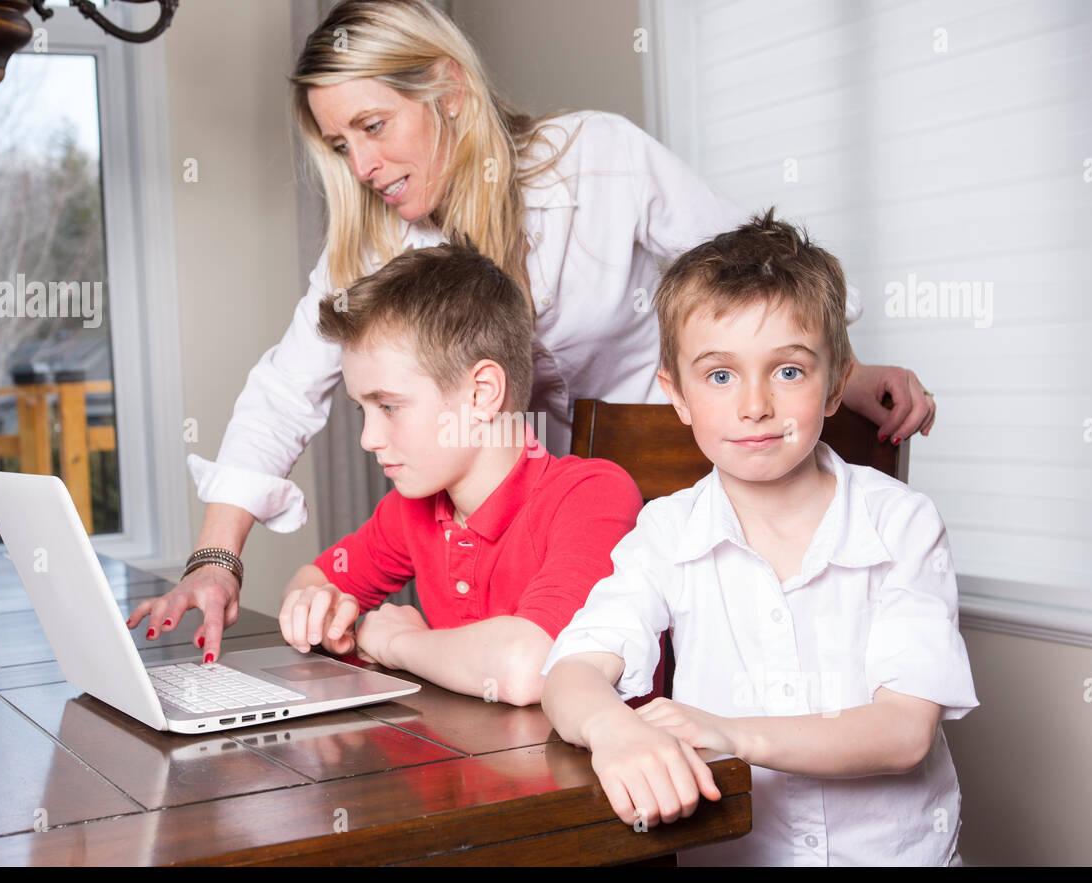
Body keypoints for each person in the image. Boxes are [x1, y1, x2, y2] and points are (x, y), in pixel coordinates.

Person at [127, 0, 937, 659]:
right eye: (341, 146)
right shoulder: (374, 248)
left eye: (373, 127)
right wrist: (215, 557)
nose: (362, 167)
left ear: (448, 88)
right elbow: (283, 389)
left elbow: (750, 276)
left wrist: (846, 372)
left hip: (684, 467)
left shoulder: (597, 156)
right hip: (549, 512)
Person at [539, 209, 979, 865]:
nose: (754, 406)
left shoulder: (902, 522)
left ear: (834, 384)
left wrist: (727, 733)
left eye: (789, 371)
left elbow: (902, 732)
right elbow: (572, 668)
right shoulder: (666, 531)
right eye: (720, 375)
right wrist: (612, 731)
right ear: (678, 395)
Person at [276, 238, 642, 704]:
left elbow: (530, 668)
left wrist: (396, 642)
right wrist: (314, 604)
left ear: (481, 393)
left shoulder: (591, 495)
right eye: (362, 410)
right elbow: (315, 577)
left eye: (389, 406)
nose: (368, 439)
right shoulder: (413, 509)